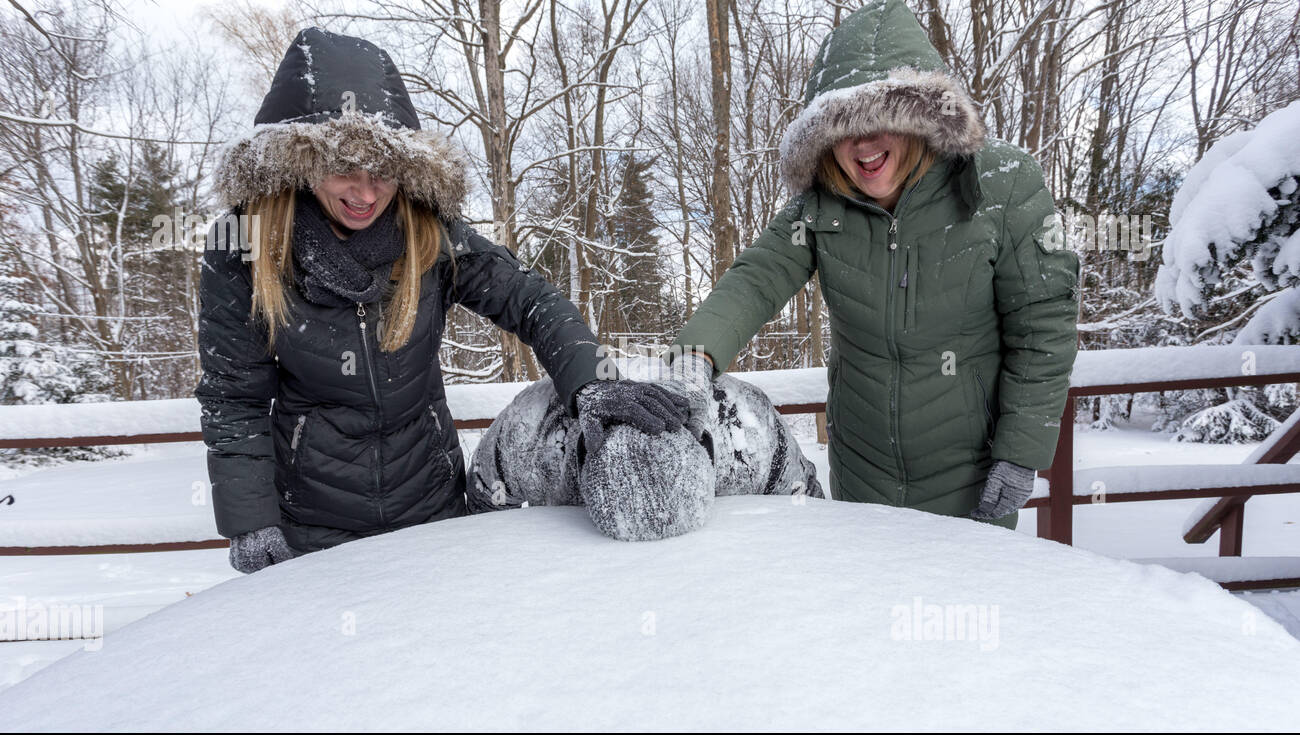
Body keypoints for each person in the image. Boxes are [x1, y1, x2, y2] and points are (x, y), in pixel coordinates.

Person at [197, 28, 687, 572]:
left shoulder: (429, 235)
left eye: (382, 173)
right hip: (312, 526)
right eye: (343, 171)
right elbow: (232, 396)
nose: (365, 194)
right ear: (300, 166)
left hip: (433, 507)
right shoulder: (243, 249)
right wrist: (250, 519)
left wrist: (591, 382)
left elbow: (530, 300)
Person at [664, 0, 1079, 530]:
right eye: (843, 128)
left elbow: (1045, 325)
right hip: (862, 472)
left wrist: (1022, 450)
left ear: (920, 122)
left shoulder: (1001, 185)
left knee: (963, 606)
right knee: (869, 606)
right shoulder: (821, 206)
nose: (862, 144)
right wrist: (693, 358)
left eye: (882, 120)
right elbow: (757, 279)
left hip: (971, 474)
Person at [465, 358, 823, 540]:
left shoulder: (748, 427)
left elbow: (809, 510)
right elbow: (483, 507)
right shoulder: (530, 429)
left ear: (706, 451)